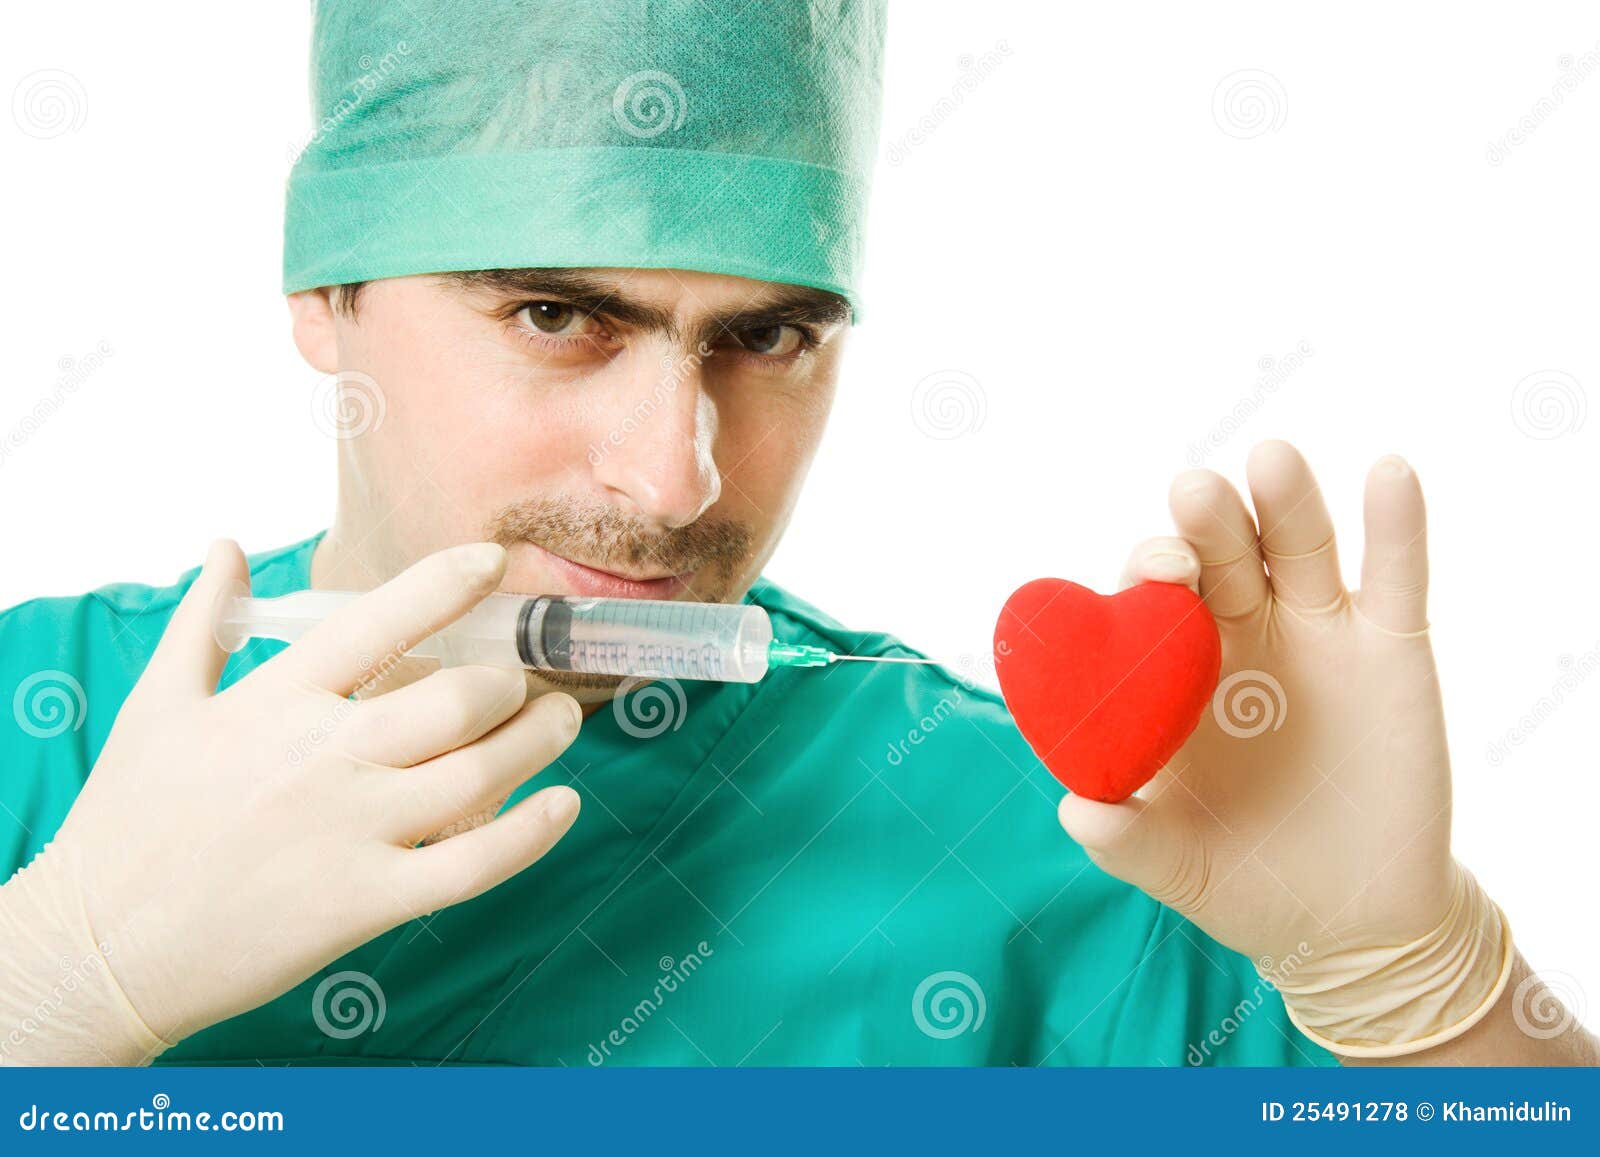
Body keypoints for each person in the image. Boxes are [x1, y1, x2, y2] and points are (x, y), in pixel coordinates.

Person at [1, 1, 1594, 1067]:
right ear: (326, 294)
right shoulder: (38, 723)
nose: (676, 476)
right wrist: (57, 983)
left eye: (766, 340)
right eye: (558, 315)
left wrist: (1427, 988)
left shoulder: (1058, 855)